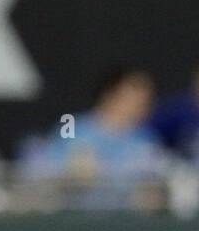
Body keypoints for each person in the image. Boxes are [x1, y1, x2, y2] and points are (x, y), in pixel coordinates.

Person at [24, 67, 167, 181]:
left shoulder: (146, 138)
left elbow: (158, 175)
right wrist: (70, 170)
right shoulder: (71, 124)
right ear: (109, 94)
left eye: (146, 99)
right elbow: (41, 168)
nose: (139, 104)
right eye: (133, 96)